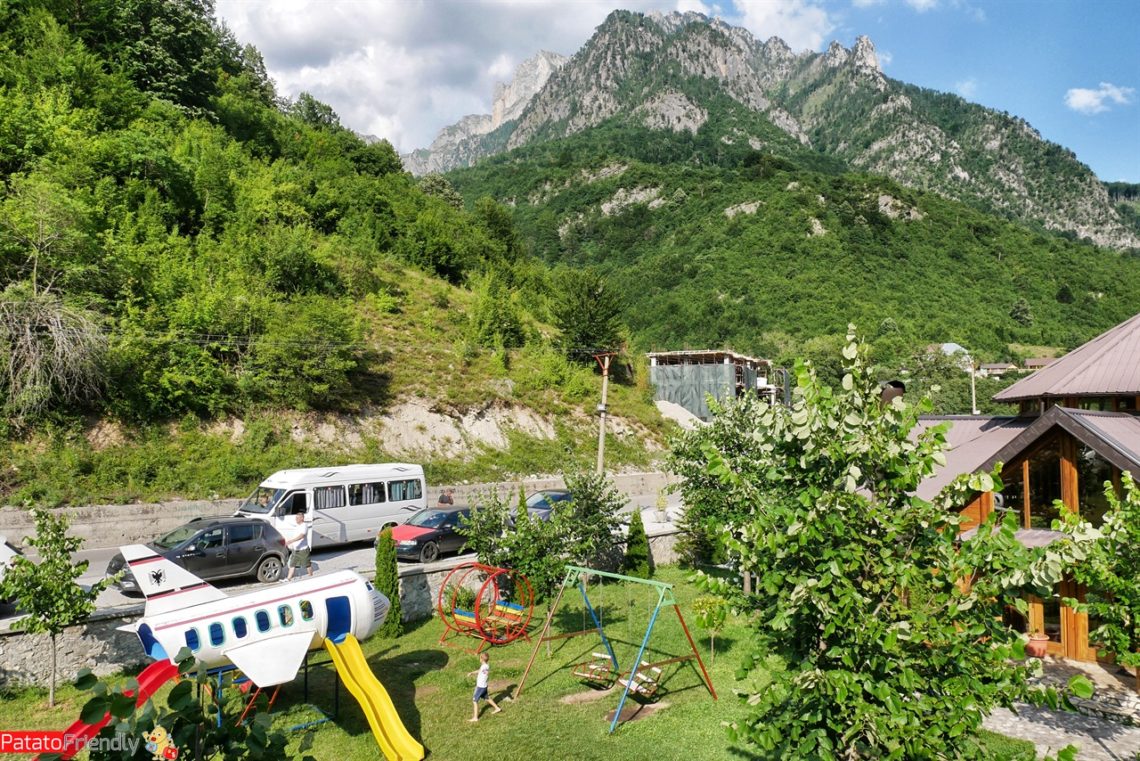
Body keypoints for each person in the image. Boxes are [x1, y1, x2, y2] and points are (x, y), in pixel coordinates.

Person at [467, 652, 502, 722]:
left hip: (481, 687)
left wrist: (479, 684)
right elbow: (480, 671)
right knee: (487, 698)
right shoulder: (486, 666)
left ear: (481, 659)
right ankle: (497, 708)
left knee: (474, 700)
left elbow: (483, 673)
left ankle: (475, 718)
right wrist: (472, 673)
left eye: (480, 657)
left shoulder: (484, 667)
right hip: (484, 686)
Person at [283, 512, 311, 582]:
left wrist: (292, 541)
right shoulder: (297, 526)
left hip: (303, 550)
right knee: (292, 564)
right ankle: (288, 578)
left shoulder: (304, 525)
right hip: (296, 550)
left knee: (307, 565)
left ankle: (311, 576)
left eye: (298, 518)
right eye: (296, 518)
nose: (296, 519)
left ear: (302, 518)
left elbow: (302, 536)